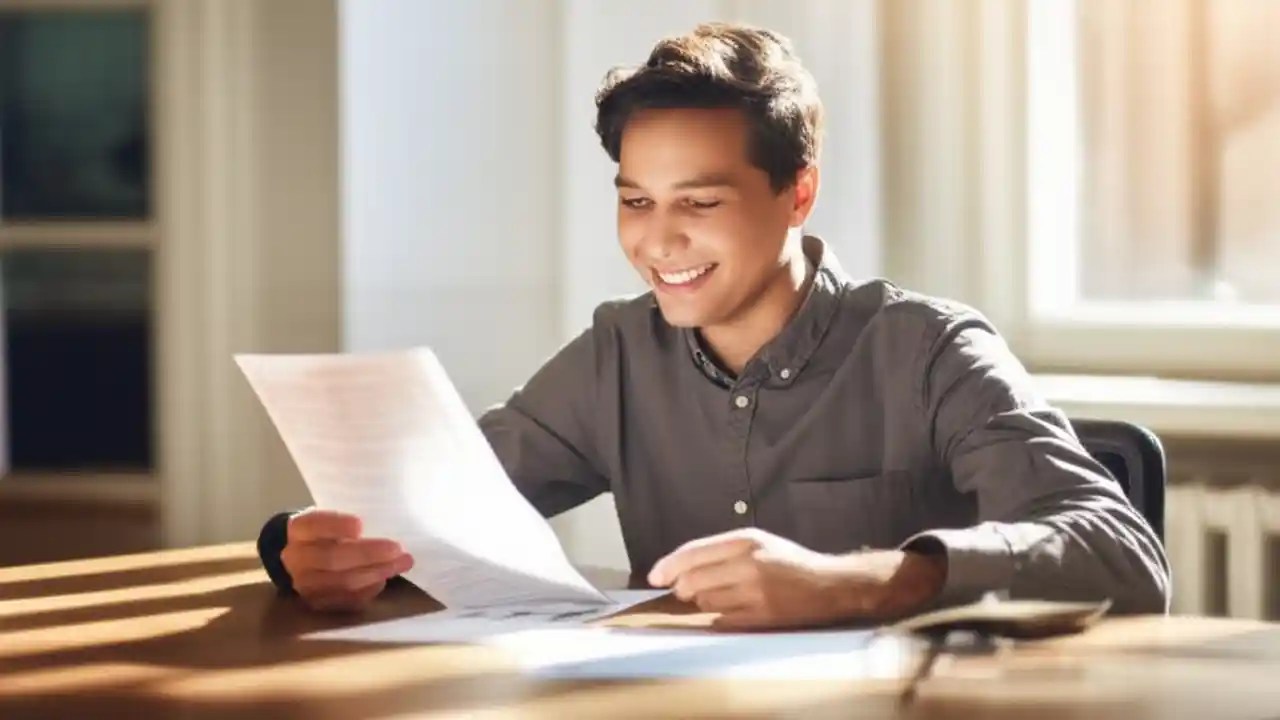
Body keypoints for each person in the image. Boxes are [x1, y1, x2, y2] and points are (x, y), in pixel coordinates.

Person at [256, 22, 1170, 629]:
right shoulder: (617, 353)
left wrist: (859, 579)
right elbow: (447, 507)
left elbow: (1124, 555)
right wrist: (309, 545)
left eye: (699, 200)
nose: (660, 241)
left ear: (796, 192)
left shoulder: (928, 349)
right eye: (636, 201)